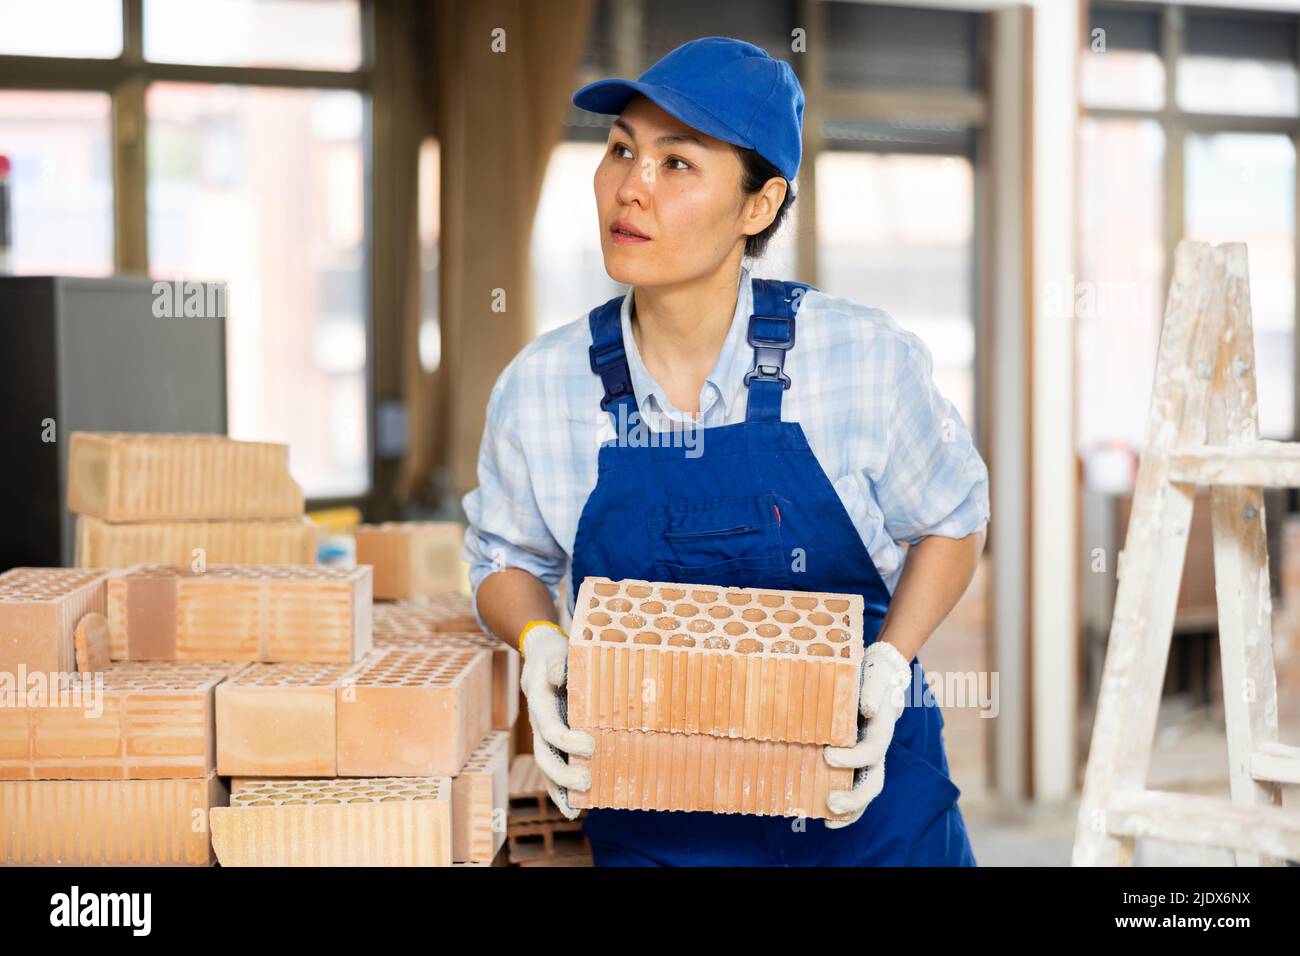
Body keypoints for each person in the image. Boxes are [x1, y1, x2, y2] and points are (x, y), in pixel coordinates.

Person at [462, 36, 989, 866]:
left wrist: (891, 661)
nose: (631, 186)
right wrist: (540, 645)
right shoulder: (542, 388)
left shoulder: (859, 360)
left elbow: (954, 522)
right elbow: (502, 556)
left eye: (677, 165)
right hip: (660, 825)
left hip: (868, 809)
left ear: (757, 205)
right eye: (621, 150)